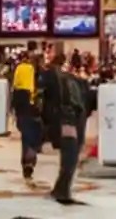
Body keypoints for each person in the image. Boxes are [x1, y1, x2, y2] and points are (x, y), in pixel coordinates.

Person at [45, 51, 87, 204]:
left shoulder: (66, 79)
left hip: (69, 119)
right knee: (70, 155)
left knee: (71, 156)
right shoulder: (59, 78)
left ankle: (62, 188)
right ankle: (62, 190)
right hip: (67, 119)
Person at [11, 42, 43, 183]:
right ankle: (30, 158)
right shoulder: (37, 70)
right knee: (35, 133)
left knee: (26, 134)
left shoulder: (20, 67)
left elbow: (15, 86)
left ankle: (27, 161)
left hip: (21, 104)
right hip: (33, 104)